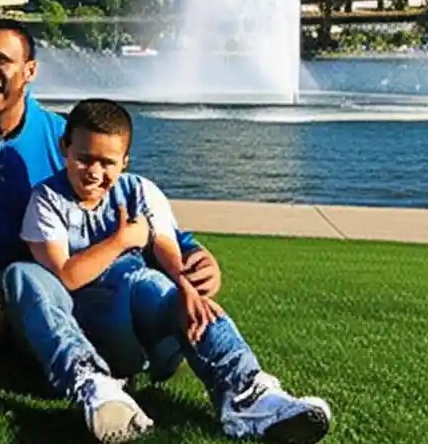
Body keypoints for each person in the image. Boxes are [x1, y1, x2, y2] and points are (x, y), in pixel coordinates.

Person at [0, 19, 225, 443]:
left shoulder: (66, 137)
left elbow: (128, 199)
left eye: (0, 60)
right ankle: (86, 349)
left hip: (67, 278)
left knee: (108, 296)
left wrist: (192, 251)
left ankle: (225, 382)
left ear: (30, 71)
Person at [22, 98, 332, 443]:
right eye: (84, 158)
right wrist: (123, 240)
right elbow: (66, 276)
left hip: (135, 322)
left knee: (158, 286)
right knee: (23, 276)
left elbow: (164, 245)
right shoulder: (47, 199)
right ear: (65, 148)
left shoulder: (140, 190)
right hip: (81, 321)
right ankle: (91, 382)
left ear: (125, 162)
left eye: (107, 162)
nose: (94, 172)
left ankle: (247, 393)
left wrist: (186, 285)